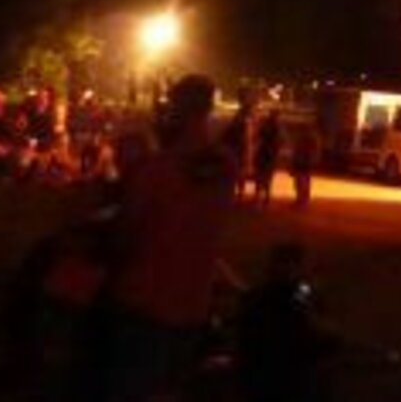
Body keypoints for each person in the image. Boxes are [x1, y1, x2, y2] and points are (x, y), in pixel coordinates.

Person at [93, 73, 237, 402]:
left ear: (176, 109)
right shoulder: (227, 166)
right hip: (194, 302)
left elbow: (126, 234)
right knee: (172, 389)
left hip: (144, 301)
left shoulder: (155, 170)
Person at [235, 242, 342, 402]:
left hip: (272, 382)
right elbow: (327, 341)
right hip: (287, 383)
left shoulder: (258, 298)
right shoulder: (294, 300)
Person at [251, 111, 282, 208]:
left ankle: (258, 197)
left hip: (263, 154)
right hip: (270, 155)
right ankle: (265, 198)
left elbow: (255, 138)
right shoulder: (277, 129)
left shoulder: (266, 127)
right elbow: (280, 141)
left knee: (260, 176)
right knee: (267, 177)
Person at [288, 119, 321, 209]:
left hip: (304, 162)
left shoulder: (309, 137)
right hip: (304, 162)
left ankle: (302, 200)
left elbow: (313, 150)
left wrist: (311, 159)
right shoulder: (312, 137)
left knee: (301, 182)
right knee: (303, 181)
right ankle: (302, 200)